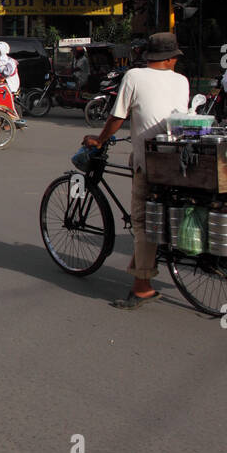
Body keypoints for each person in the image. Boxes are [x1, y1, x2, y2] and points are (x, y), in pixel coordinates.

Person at [82, 33, 190, 310]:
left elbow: (118, 116)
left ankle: (142, 288)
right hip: (181, 162)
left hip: (150, 162)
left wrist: (100, 139)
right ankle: (141, 268)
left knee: (143, 222)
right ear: (168, 59)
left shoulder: (134, 76)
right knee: (160, 216)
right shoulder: (182, 81)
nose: (176, 62)